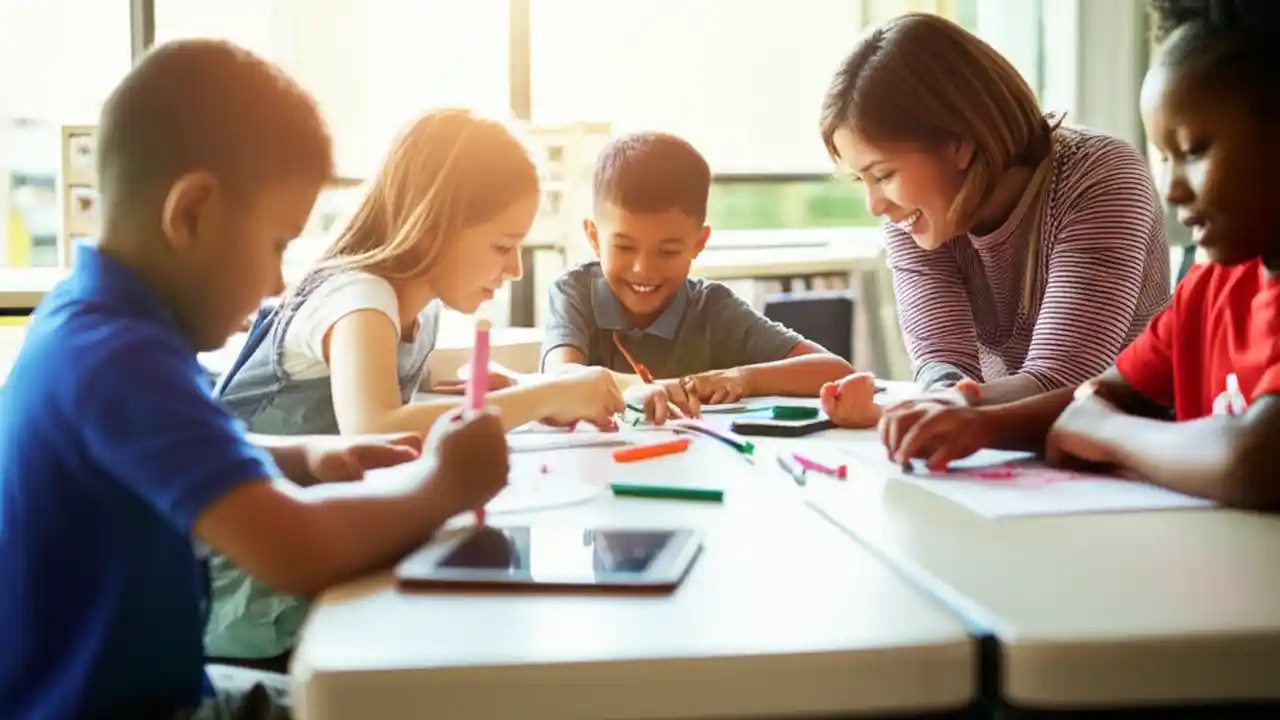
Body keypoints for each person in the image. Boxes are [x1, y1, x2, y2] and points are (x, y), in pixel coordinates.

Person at [0, 40, 508, 718]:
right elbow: (294, 550)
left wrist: (304, 455)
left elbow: (149, 454)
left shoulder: (87, 320)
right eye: (276, 244)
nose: (276, 283)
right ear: (191, 214)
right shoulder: (120, 357)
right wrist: (442, 484)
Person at [878, 0, 1280, 508]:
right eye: (1164, 157)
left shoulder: (1094, 175)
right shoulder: (1209, 290)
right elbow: (1097, 397)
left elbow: (1254, 460)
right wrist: (977, 425)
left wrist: (1105, 432)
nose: (1172, 191)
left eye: (1195, 151)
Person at [818, 12, 1170, 427]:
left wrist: (920, 411)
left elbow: (1063, 381)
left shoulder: (1099, 175)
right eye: (861, 179)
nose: (875, 205)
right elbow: (942, 368)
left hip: (1131, 445)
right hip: (1009, 447)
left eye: (883, 175)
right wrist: (927, 408)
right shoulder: (919, 219)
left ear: (959, 144)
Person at [541, 131, 853, 423]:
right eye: (624, 247)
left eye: (667, 251)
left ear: (698, 244)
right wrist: (651, 388)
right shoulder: (576, 293)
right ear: (594, 238)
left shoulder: (712, 307)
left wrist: (743, 378)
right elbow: (559, 383)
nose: (643, 269)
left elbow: (835, 371)